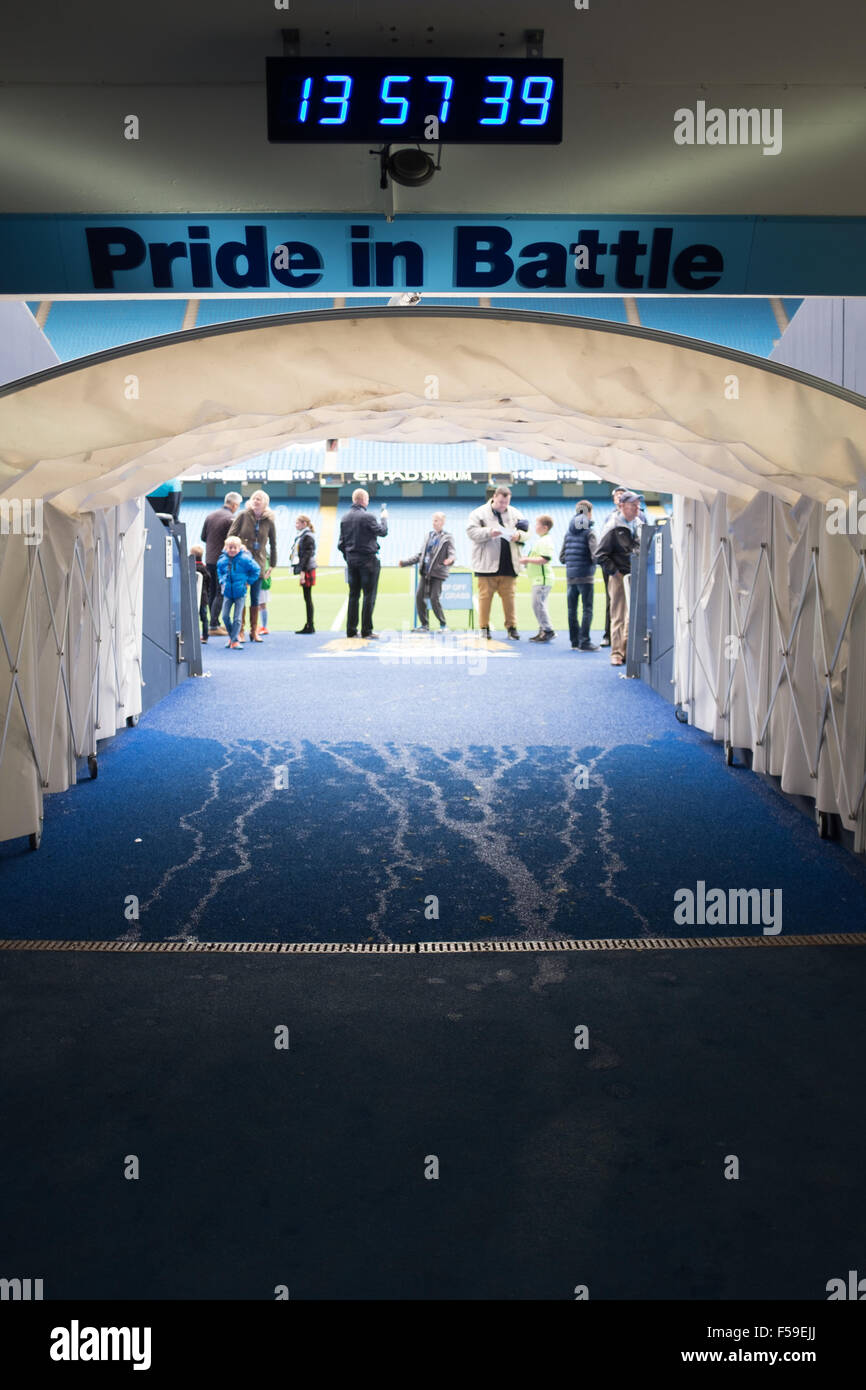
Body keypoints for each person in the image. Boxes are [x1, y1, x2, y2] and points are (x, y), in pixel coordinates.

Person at [466, 485, 529, 639]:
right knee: (485, 598)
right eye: (501, 502)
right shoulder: (478, 513)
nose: (503, 506)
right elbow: (471, 532)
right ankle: (484, 628)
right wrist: (489, 532)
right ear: (494, 497)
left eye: (506, 503)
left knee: (510, 599)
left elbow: (527, 532)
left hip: (509, 564)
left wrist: (519, 536)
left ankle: (512, 628)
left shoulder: (515, 513)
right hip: (486, 565)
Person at [595, 492, 642, 666]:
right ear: (622, 505)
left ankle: (628, 651)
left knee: (633, 616)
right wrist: (615, 573)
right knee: (619, 615)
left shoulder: (639, 524)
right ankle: (616, 652)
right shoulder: (613, 526)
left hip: (636, 575)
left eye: (638, 504)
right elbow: (600, 554)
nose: (637, 508)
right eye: (633, 504)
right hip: (620, 576)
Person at [338, 489, 388, 639]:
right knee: (369, 595)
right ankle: (366, 630)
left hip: (352, 561)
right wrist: (384, 518)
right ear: (363, 500)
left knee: (353, 595)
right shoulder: (368, 517)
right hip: (368, 561)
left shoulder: (345, 518)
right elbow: (383, 531)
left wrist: (349, 557)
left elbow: (340, 544)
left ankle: (351, 630)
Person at [228, 490, 278, 643]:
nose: (256, 501)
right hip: (242, 562)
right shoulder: (243, 515)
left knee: (256, 599)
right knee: (241, 596)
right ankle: (240, 631)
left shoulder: (269, 520)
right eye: (254, 498)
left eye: (260, 499)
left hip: (259, 563)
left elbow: (274, 544)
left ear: (265, 503)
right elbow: (231, 535)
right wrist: (239, 546)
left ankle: (254, 631)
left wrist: (273, 564)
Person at [398, 512, 456, 631]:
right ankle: (424, 625)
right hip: (425, 573)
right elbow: (421, 555)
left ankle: (443, 624)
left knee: (434, 598)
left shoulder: (447, 537)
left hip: (437, 573)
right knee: (419, 597)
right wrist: (405, 562)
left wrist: (450, 559)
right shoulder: (428, 536)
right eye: (433, 520)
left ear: (442, 522)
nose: (434, 523)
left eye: (436, 520)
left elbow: (452, 552)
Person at [560, 500, 600, 650]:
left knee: (572, 610)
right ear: (589, 513)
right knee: (587, 609)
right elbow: (595, 555)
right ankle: (585, 641)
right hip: (586, 576)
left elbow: (562, 557)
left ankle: (574, 642)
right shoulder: (590, 532)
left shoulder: (568, 532)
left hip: (570, 576)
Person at [201, 491, 242, 633]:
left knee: (212, 591)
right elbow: (233, 541)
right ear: (234, 504)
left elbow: (203, 537)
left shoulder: (210, 516)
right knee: (221, 592)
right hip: (222, 560)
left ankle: (214, 622)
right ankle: (214, 625)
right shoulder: (231, 519)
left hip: (209, 559)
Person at [216, 537, 261, 650]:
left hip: (240, 592)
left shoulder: (245, 559)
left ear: (239, 548)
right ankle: (233, 637)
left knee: (237, 618)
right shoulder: (222, 560)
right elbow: (219, 571)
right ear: (226, 548)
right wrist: (222, 580)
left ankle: (234, 640)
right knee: (225, 616)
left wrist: (248, 581)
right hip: (227, 593)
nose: (232, 550)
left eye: (235, 548)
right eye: (230, 547)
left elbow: (256, 570)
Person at [519, 514, 556, 642]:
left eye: (537, 524)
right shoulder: (542, 540)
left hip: (542, 579)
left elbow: (544, 559)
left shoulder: (545, 541)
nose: (535, 527)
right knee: (539, 605)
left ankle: (548, 630)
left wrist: (527, 559)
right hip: (538, 578)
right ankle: (543, 630)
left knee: (538, 605)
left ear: (544, 527)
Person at [290, 515, 317, 634]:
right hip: (307, 568)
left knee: (308, 598)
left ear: (304, 524)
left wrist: (302, 572)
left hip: (307, 569)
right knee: (307, 597)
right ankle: (309, 624)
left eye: (297, 523)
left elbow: (307, 555)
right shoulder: (304, 535)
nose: (296, 526)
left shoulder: (307, 536)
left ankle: (310, 625)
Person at [189, 542, 211, 645]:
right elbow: (209, 580)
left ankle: (193, 635)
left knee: (193, 617)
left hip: (193, 596)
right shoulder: (204, 568)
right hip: (203, 596)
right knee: (204, 617)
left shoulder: (190, 568)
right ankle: (205, 636)